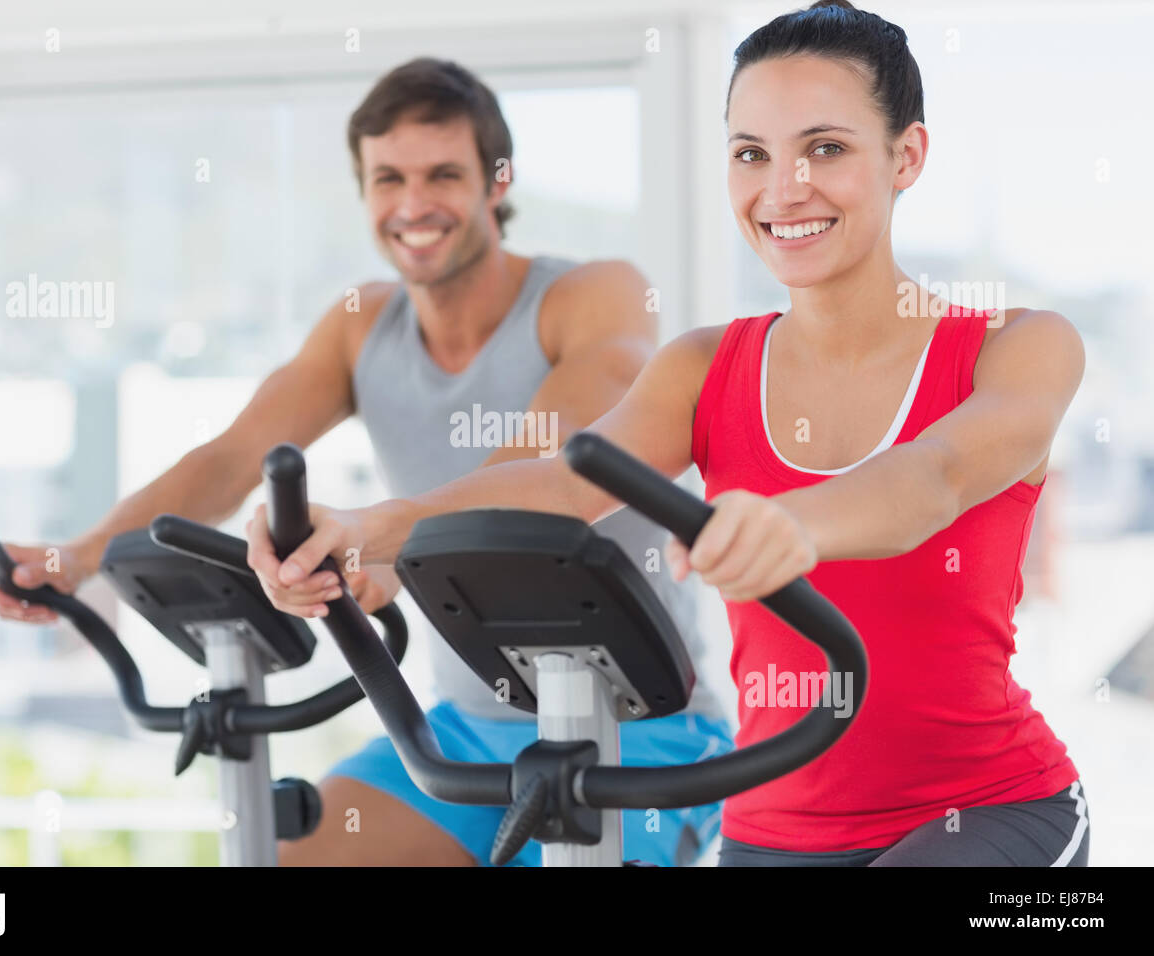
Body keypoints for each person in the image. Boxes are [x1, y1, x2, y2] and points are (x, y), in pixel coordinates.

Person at [250, 2, 1091, 866]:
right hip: (771, 826)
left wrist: (797, 523)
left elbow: (937, 476)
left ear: (906, 155)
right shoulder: (704, 367)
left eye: (826, 149)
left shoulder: (1017, 347)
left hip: (986, 812)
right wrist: (367, 528)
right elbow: (564, 487)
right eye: (751, 155)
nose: (784, 187)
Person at [0, 57, 733, 867]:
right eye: (388, 178)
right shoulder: (358, 325)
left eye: (444, 173)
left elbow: (553, 466)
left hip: (648, 731)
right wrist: (79, 558)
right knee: (293, 858)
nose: (413, 205)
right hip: (463, 730)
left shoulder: (595, 294)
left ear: (497, 184)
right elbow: (235, 454)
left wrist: (396, 552)